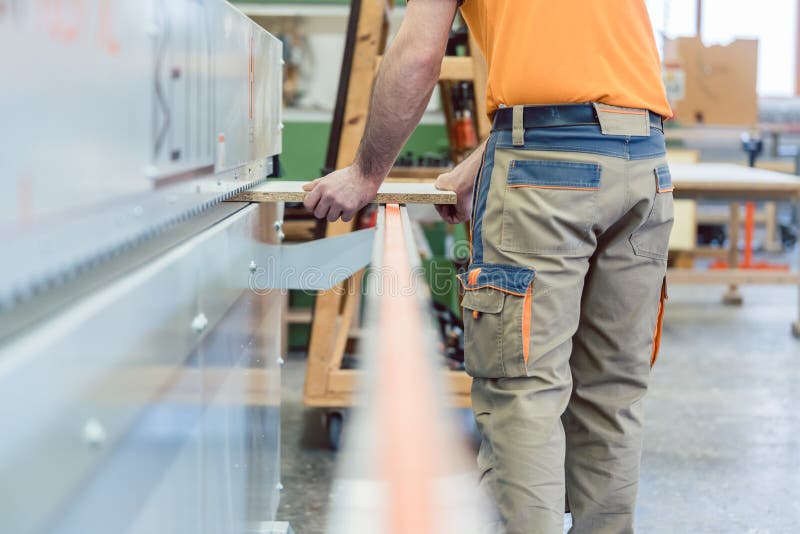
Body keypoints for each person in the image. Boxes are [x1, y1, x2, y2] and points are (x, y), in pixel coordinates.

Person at [304, 1, 674, 532]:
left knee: (524, 392)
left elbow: (416, 56)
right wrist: (485, 159)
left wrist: (365, 173)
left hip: (546, 173)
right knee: (612, 393)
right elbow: (589, 86)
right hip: (645, 167)